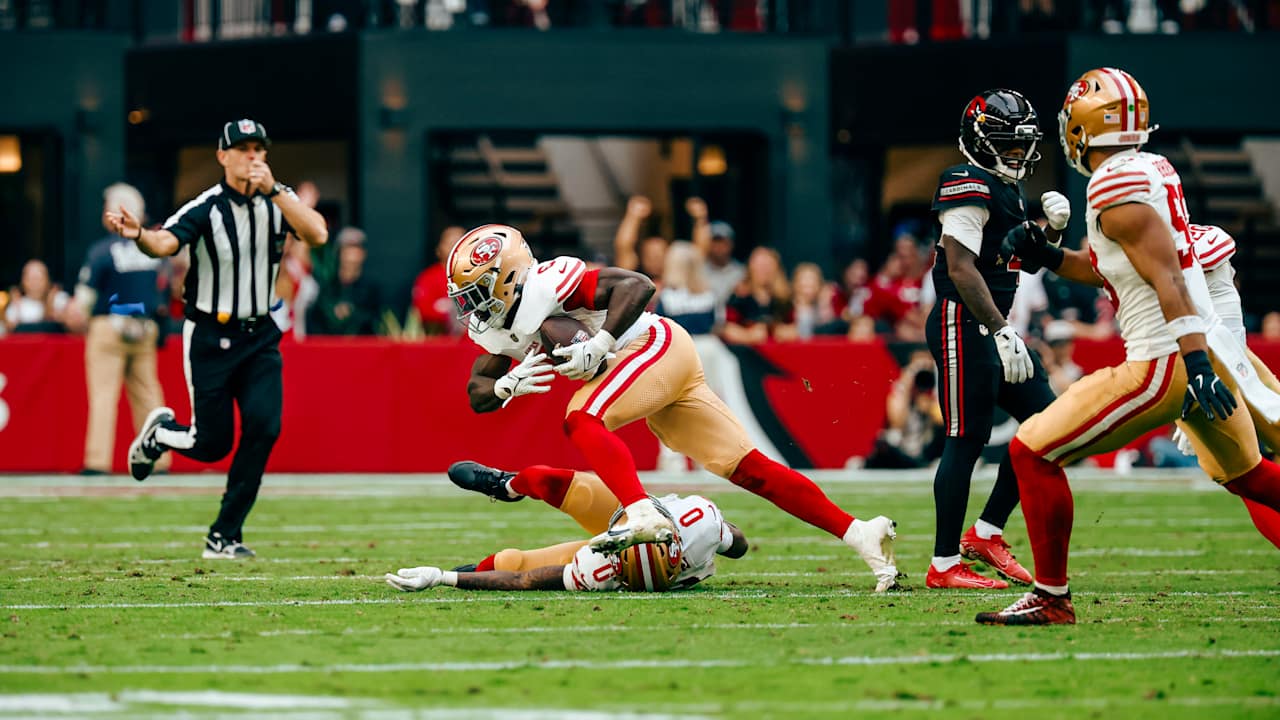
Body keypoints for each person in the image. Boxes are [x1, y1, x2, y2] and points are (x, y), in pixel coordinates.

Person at [977, 68, 1280, 625]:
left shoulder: (1112, 186)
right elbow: (1116, 269)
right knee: (1251, 476)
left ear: (1083, 127)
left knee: (1030, 452)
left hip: (1165, 359)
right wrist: (1047, 256)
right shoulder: (1148, 168)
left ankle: (1051, 598)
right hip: (1194, 348)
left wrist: (1193, 363)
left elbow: (1167, 276)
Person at [446, 224, 900, 591]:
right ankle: (859, 532)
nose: (470, 306)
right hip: (652, 364)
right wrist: (505, 386)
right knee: (749, 469)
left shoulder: (549, 284)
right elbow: (477, 391)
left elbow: (637, 285)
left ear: (508, 276)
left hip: (651, 343)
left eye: (476, 291)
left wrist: (601, 342)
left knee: (582, 418)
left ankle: (642, 514)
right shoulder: (495, 325)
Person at [108, 118, 328, 560]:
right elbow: (165, 243)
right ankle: (160, 434)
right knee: (212, 444)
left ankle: (224, 534)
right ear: (223, 156)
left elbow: (318, 234)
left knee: (265, 427)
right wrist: (140, 236)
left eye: (259, 149)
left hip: (259, 334)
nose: (253, 157)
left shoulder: (278, 200)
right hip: (211, 334)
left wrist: (276, 191)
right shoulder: (206, 206)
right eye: (243, 149)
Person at [922, 89, 1064, 590]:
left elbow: (1026, 262)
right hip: (962, 320)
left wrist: (1054, 233)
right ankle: (943, 564)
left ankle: (985, 533)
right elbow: (961, 268)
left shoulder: (1007, 189)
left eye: (1023, 143)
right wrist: (1002, 329)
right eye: (1008, 144)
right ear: (980, 142)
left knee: (1051, 425)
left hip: (991, 324)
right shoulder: (966, 182)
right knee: (967, 438)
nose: (1018, 153)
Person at [384, 460, 748, 593]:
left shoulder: (602, 568)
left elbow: (523, 580)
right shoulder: (699, 525)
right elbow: (738, 544)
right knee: (546, 480)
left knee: (509, 562)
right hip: (627, 507)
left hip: (615, 538)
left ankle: (467, 570)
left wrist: (445, 577)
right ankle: (506, 485)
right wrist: (729, 540)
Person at [73, 183, 170, 476]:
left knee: (104, 396)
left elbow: (85, 298)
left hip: (108, 325)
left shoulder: (102, 250)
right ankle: (160, 459)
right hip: (145, 326)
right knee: (148, 395)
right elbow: (163, 290)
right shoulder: (154, 248)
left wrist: (78, 315)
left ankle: (98, 461)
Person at [308, 227, 381, 335]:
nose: (352, 253)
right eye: (348, 247)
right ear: (339, 252)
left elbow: (375, 321)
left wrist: (352, 313)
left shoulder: (371, 290)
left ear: (363, 253)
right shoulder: (326, 287)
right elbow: (315, 321)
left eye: (357, 247)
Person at [721, 247, 791, 345]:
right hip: (748, 351)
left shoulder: (783, 299)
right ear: (751, 268)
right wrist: (747, 336)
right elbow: (726, 328)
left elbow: (796, 325)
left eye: (768, 266)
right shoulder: (739, 297)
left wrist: (787, 331)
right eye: (760, 266)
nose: (764, 271)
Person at [410, 225, 466, 336]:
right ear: (439, 249)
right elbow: (423, 310)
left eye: (460, 242)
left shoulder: (481, 275)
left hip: (477, 341)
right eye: (451, 243)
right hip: (441, 340)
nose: (455, 247)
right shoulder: (428, 277)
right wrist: (449, 312)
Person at [4, 259, 69, 333]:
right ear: (23, 282)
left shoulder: (60, 299)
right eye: (31, 278)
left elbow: (71, 325)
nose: (35, 283)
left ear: (48, 280)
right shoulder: (16, 305)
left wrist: (49, 307)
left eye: (39, 278)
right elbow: (9, 330)